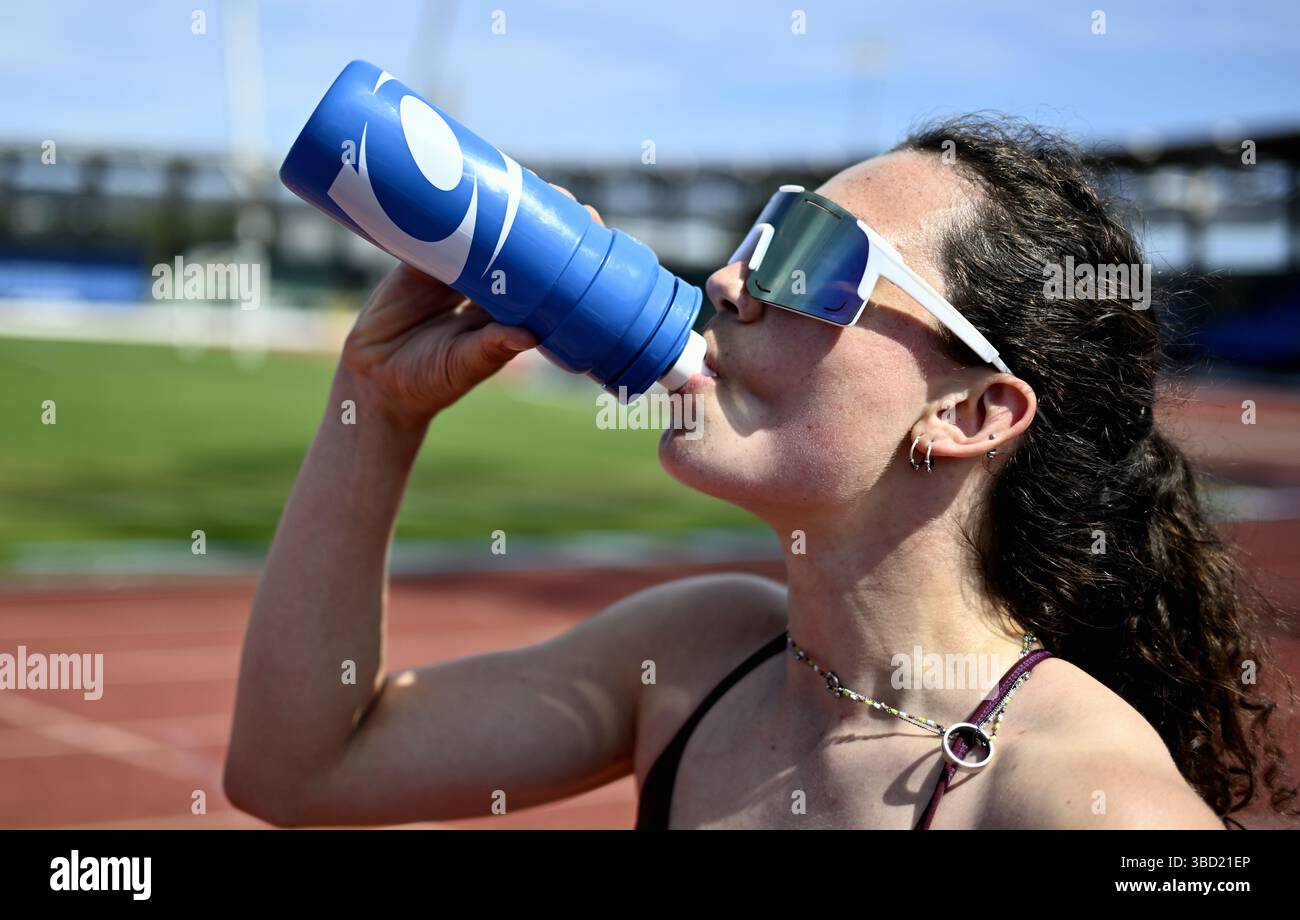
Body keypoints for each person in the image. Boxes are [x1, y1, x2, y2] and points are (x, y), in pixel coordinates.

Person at [224, 115, 1296, 829]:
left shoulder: (1088, 797)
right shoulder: (691, 657)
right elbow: (296, 766)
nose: (730, 278)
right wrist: (376, 405)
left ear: (970, 409)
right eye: (762, 233)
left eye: (816, 260)